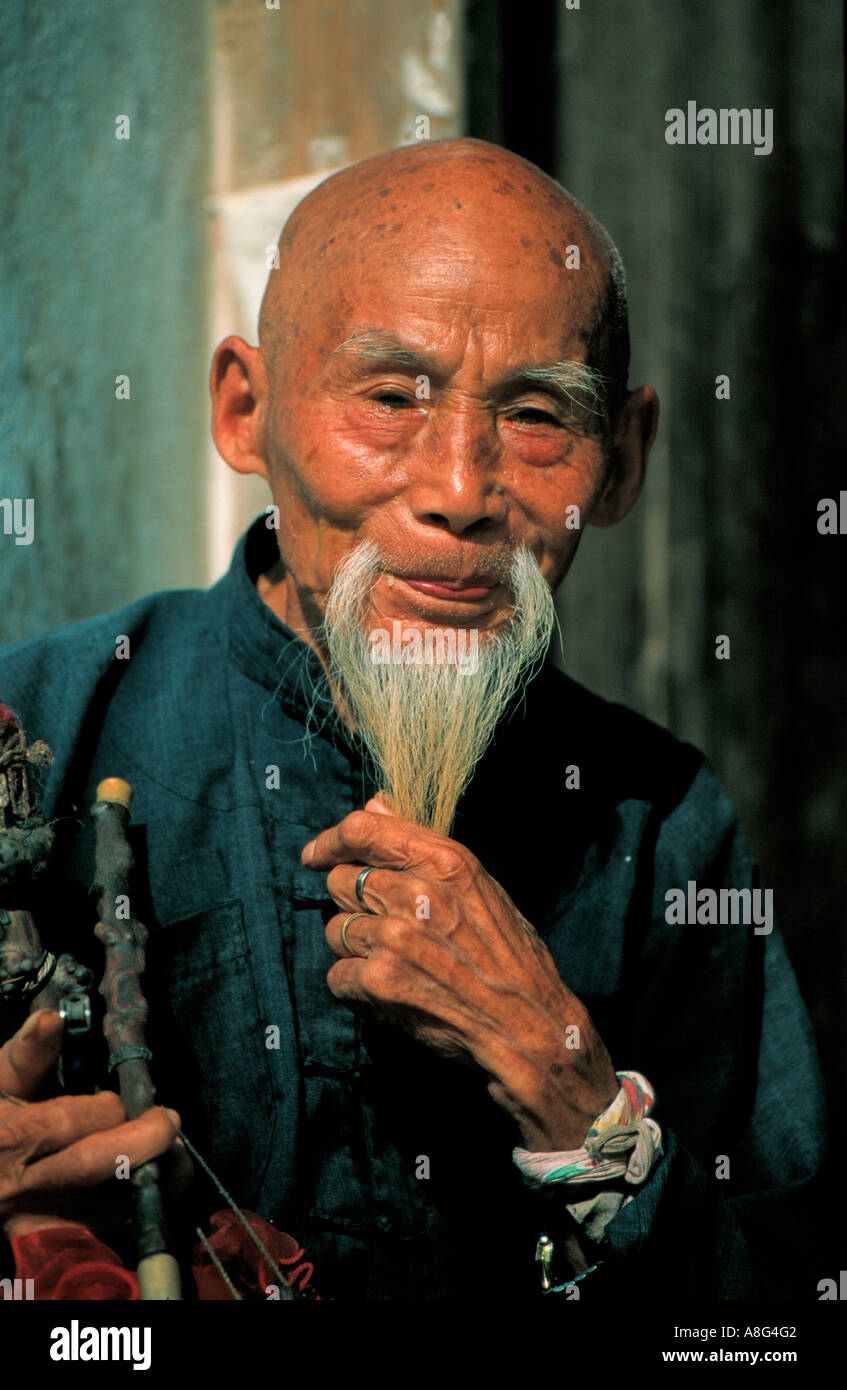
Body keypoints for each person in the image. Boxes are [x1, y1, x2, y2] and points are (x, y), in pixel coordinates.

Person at [0, 138, 827, 1300]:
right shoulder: (36, 740)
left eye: (539, 414)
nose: (456, 490)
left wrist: (572, 1090)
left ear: (624, 458)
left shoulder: (659, 829)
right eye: (391, 396)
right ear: (246, 411)